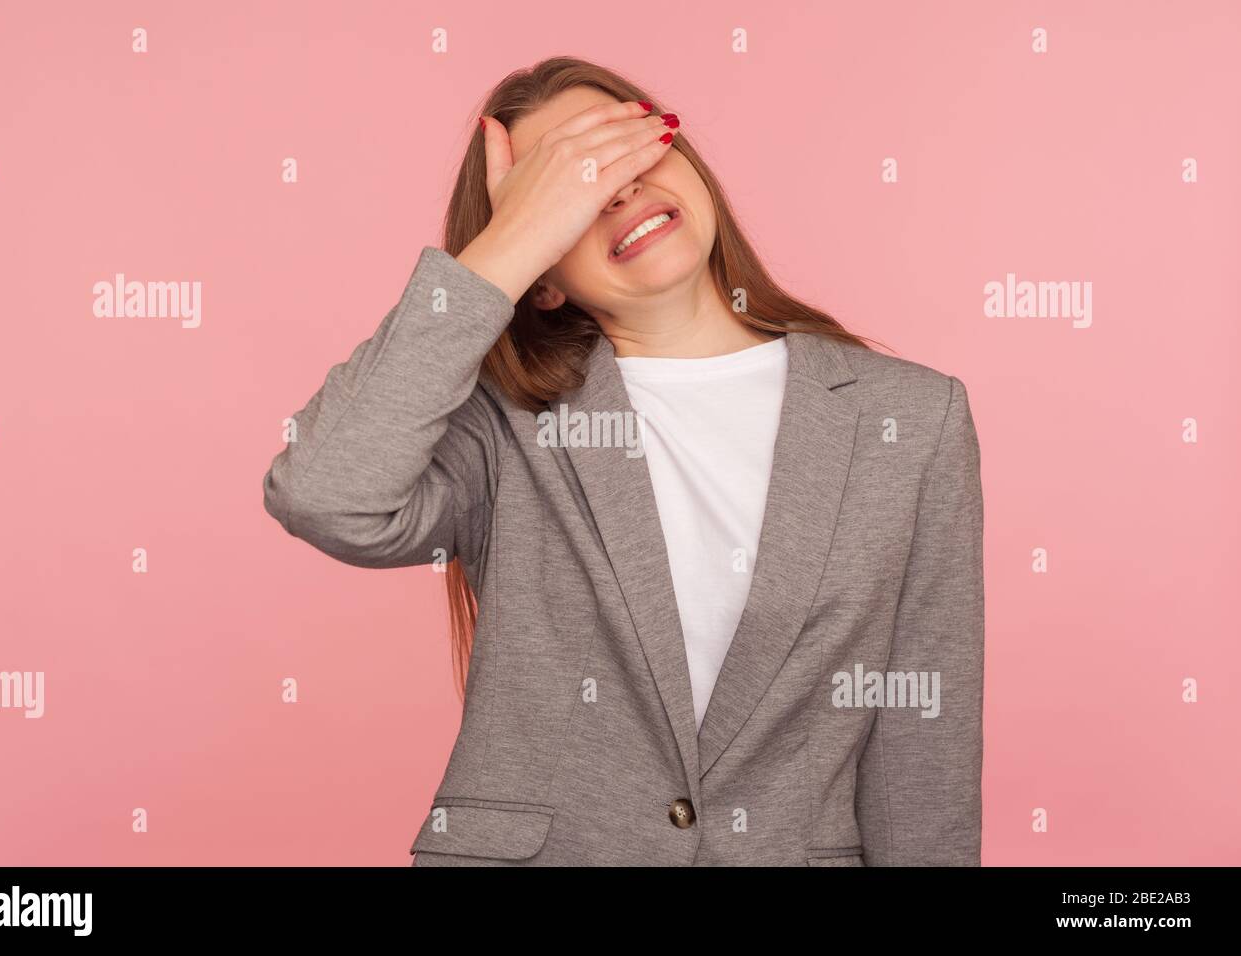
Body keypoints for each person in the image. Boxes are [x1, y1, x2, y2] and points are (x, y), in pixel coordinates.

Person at [262, 57, 985, 866]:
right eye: (567, 186)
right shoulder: (503, 428)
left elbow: (921, 753)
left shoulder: (911, 419)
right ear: (542, 280)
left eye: (624, 152)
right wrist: (504, 249)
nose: (615, 192)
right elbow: (324, 494)